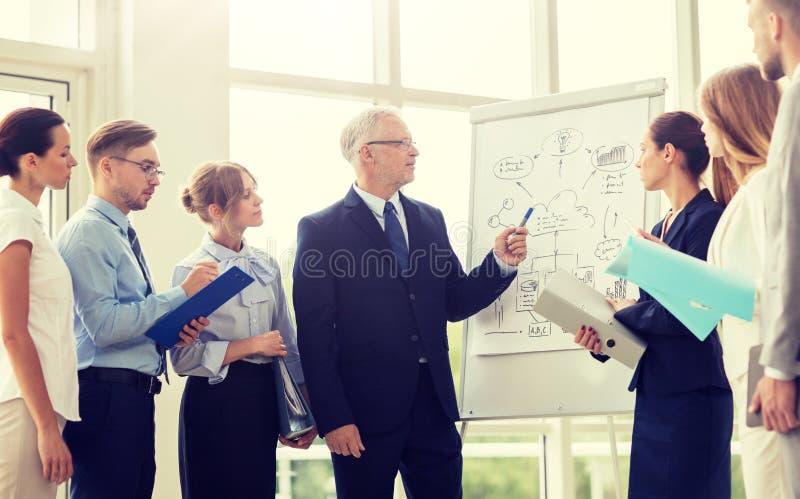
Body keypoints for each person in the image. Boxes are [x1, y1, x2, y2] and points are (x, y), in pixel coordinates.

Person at [292, 106, 528, 498]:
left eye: (412, 143)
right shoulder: (320, 229)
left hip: (433, 406)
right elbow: (315, 336)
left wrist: (499, 263)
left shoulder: (429, 219)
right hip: (362, 416)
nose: (413, 151)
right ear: (366, 153)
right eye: (402, 143)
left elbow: (454, 300)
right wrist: (333, 419)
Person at [574, 111, 732, 499]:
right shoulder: (660, 227)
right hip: (659, 394)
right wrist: (605, 338)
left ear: (669, 153)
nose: (636, 160)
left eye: (643, 149)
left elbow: (691, 314)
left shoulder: (708, 219)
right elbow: (655, 316)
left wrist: (622, 310)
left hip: (694, 398)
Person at [56, 119, 216, 499]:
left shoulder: (118, 231)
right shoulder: (89, 232)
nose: (156, 179)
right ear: (108, 167)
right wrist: (181, 294)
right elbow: (105, 327)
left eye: (156, 169)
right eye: (146, 167)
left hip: (130, 399)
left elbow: (126, 318)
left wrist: (171, 332)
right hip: (106, 398)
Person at [172, 161, 316, 499]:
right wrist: (251, 344)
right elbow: (180, 358)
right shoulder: (191, 270)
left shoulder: (265, 264)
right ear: (216, 209)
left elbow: (287, 342)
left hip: (262, 398)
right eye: (247, 194)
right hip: (214, 400)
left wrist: (306, 411)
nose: (259, 200)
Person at [701, 63, 788, 499]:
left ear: (732, 117)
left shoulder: (766, 188)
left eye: (708, 115)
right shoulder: (751, 190)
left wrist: (698, 282)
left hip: (766, 369)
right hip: (752, 367)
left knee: (773, 486)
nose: (702, 127)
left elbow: (782, 288)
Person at [0, 108, 78, 498]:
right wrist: (46, 428)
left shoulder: (27, 220)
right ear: (31, 161)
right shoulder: (13, 220)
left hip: (35, 407)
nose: (73, 161)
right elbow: (13, 333)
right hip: (25, 409)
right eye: (63, 152)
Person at [746, 0, 800, 494]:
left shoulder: (797, 103)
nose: (754, 43)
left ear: (774, 23)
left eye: (752, 29)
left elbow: (791, 250)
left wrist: (779, 365)